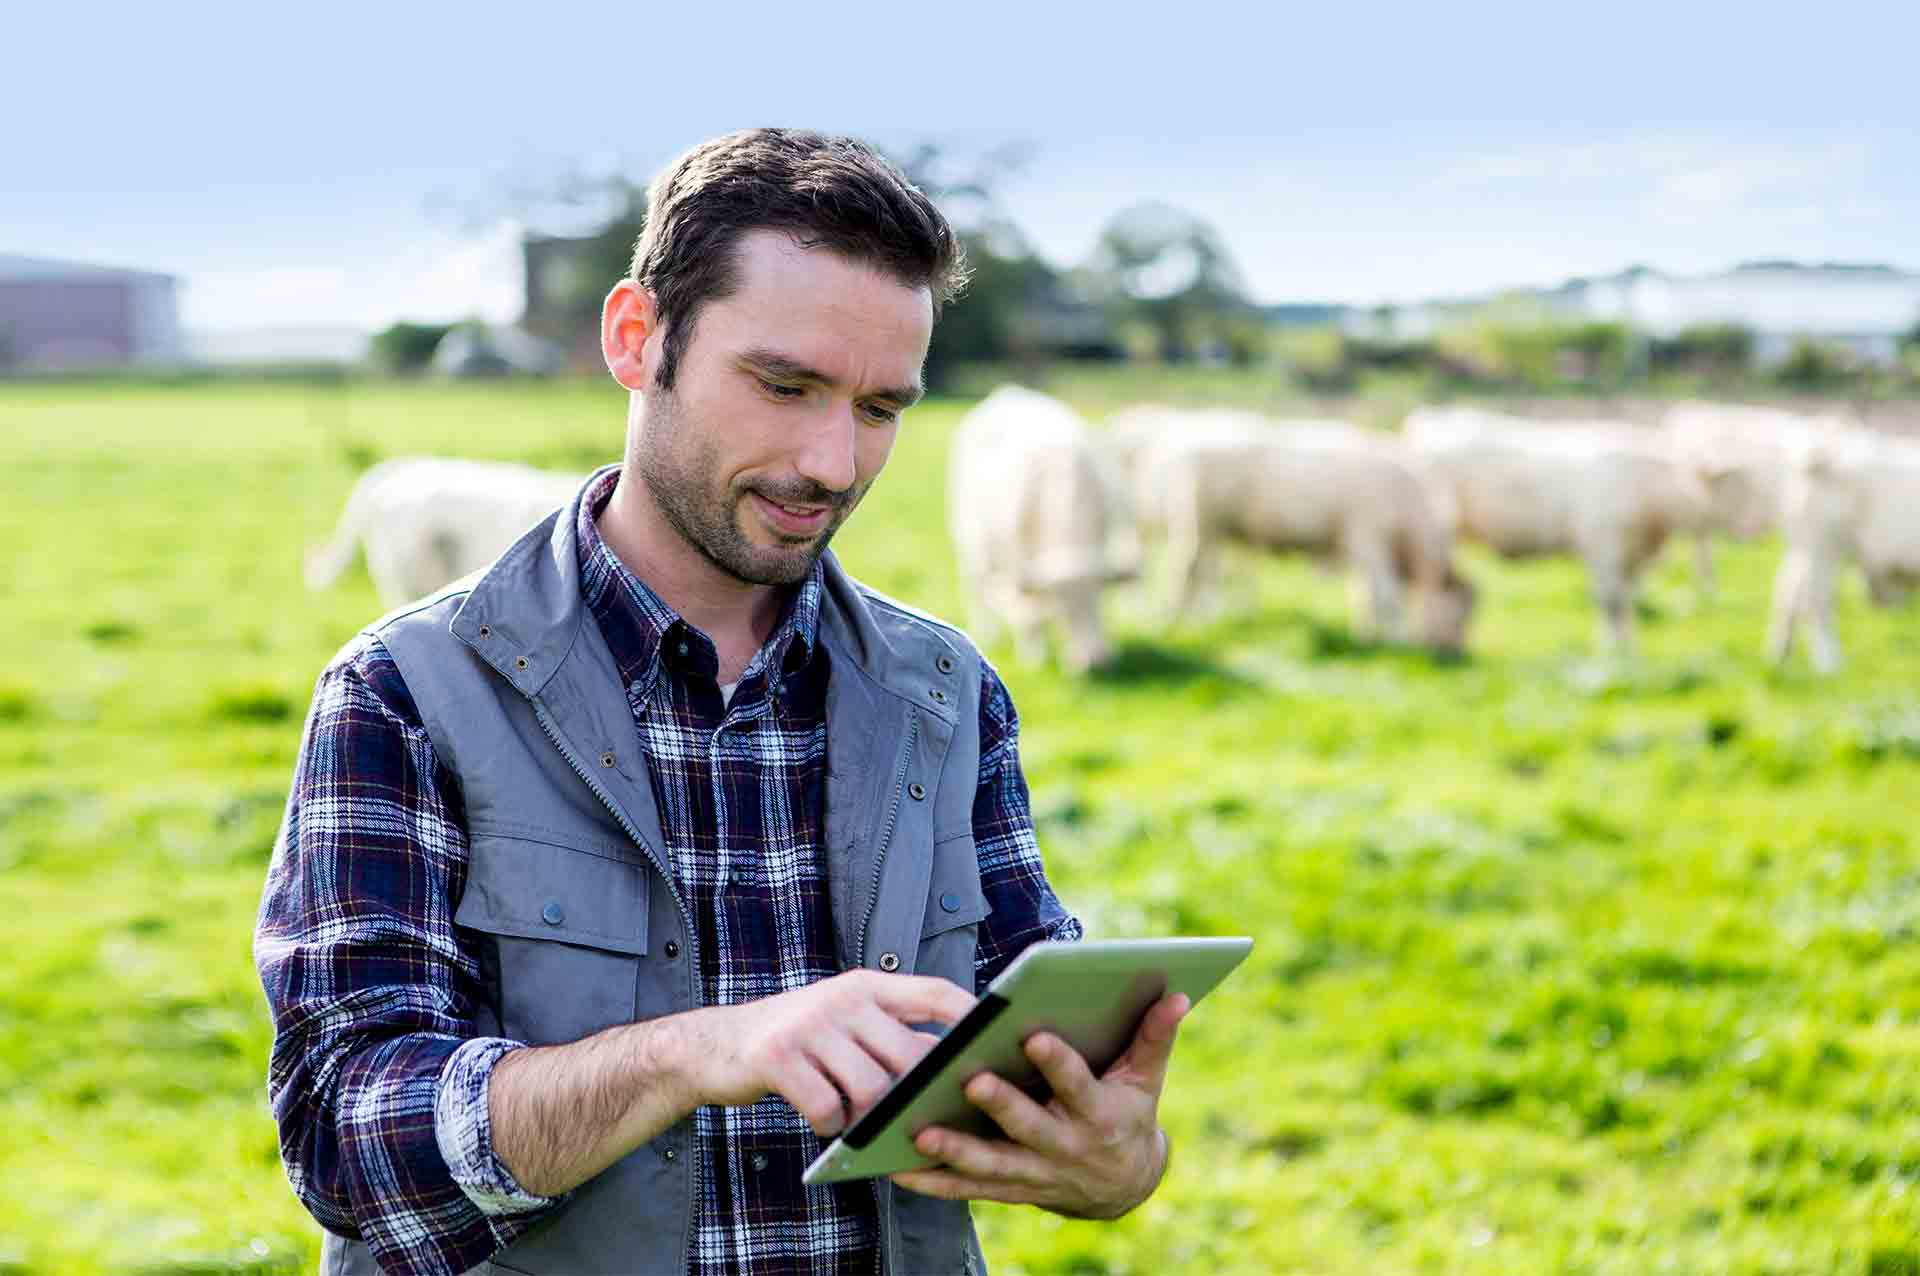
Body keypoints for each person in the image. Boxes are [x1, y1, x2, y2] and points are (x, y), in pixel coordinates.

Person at [254, 128, 1188, 1276]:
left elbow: (1041, 1059)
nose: (834, 463)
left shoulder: (950, 693)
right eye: (784, 385)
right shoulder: (405, 692)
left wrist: (1117, 1162)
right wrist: (700, 1052)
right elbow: (349, 1143)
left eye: (882, 408)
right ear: (636, 339)